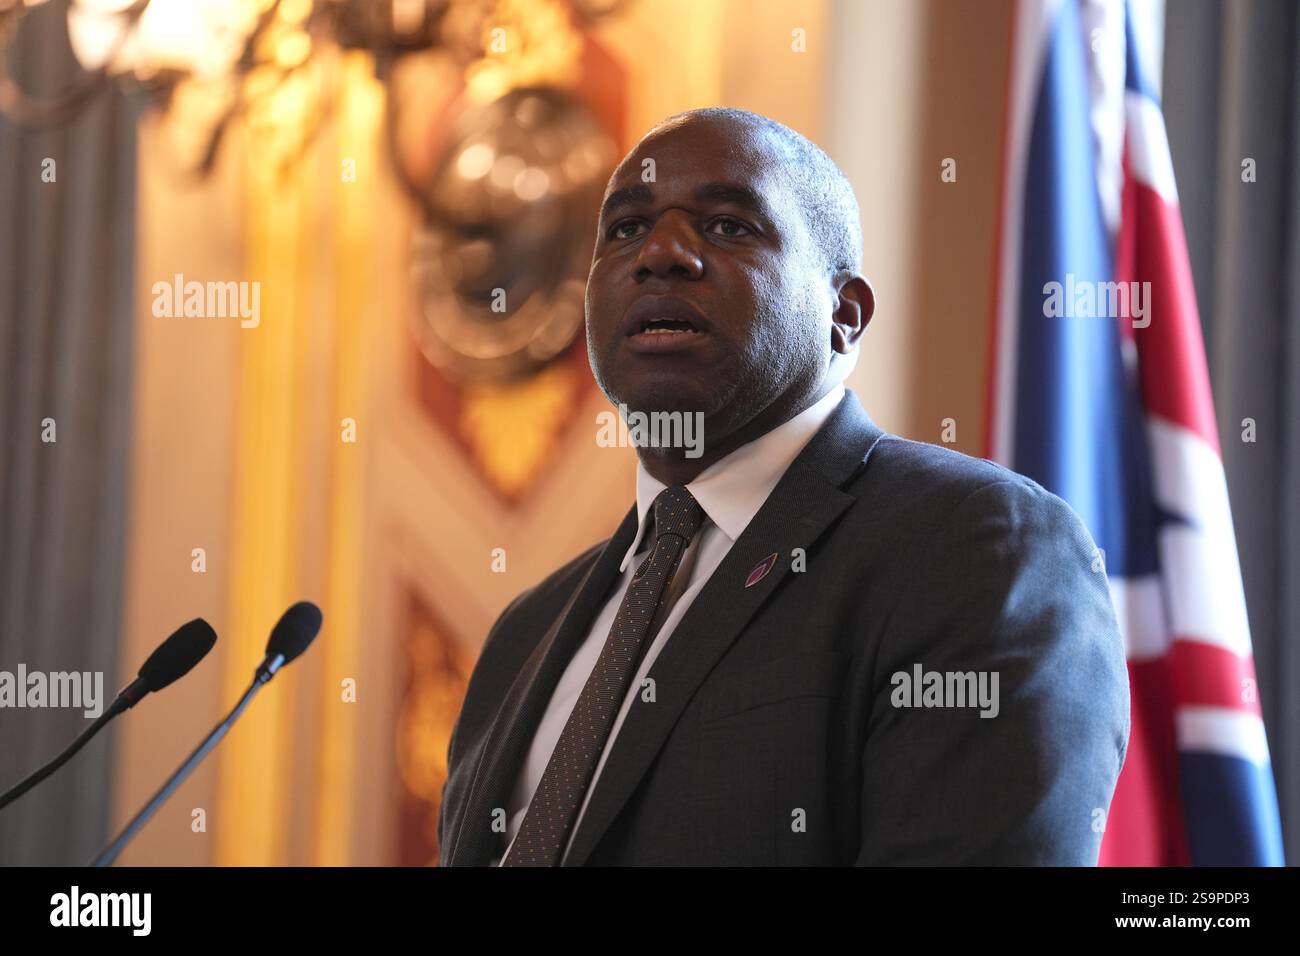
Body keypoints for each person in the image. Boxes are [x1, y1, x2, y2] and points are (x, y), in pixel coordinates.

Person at [437, 107, 1130, 866]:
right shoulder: (525, 633)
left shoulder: (975, 547)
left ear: (845, 313)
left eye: (728, 226)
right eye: (627, 229)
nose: (660, 253)